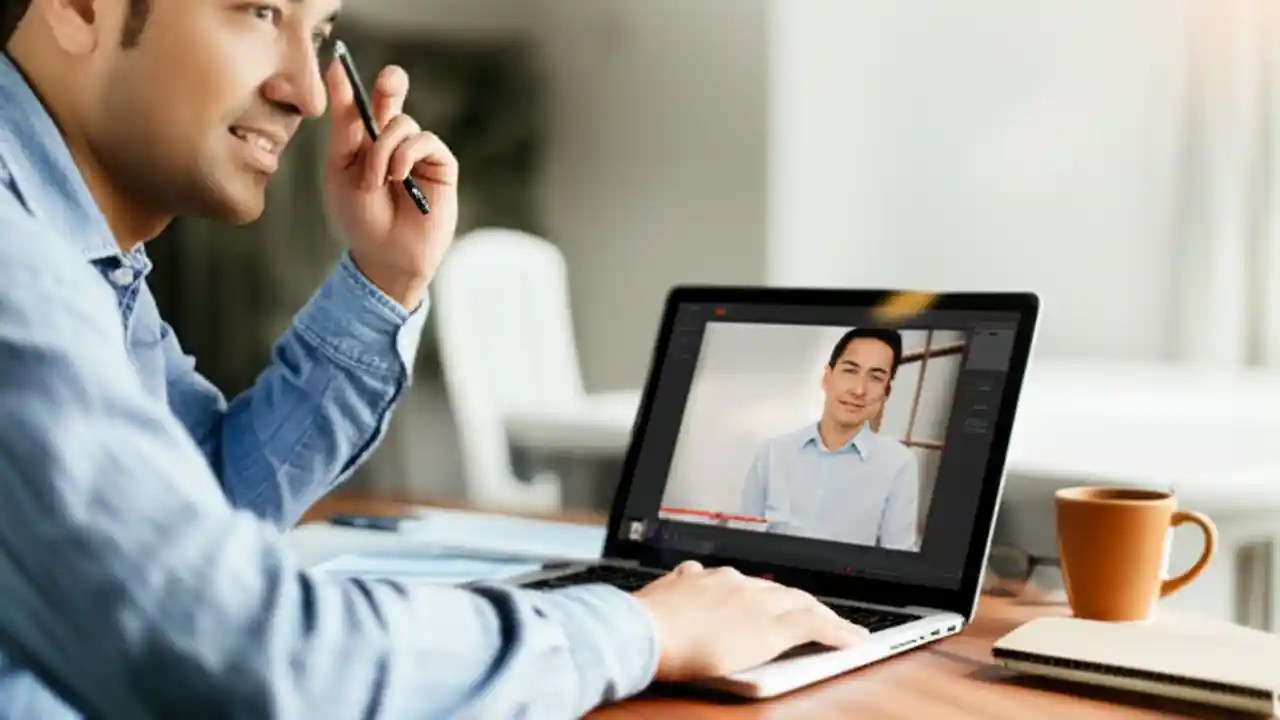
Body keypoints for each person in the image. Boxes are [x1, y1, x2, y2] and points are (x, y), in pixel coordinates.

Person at [0, 1, 869, 717]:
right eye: (259, 11)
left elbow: (196, 506)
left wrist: (383, 277)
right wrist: (640, 631)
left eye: (317, 33)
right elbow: (230, 651)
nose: (305, 92)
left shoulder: (84, 260)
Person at [740, 328, 922, 551]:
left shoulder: (899, 464)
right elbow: (742, 540)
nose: (858, 390)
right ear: (827, 378)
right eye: (850, 371)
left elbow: (898, 556)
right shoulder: (773, 452)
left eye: (875, 377)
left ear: (886, 392)